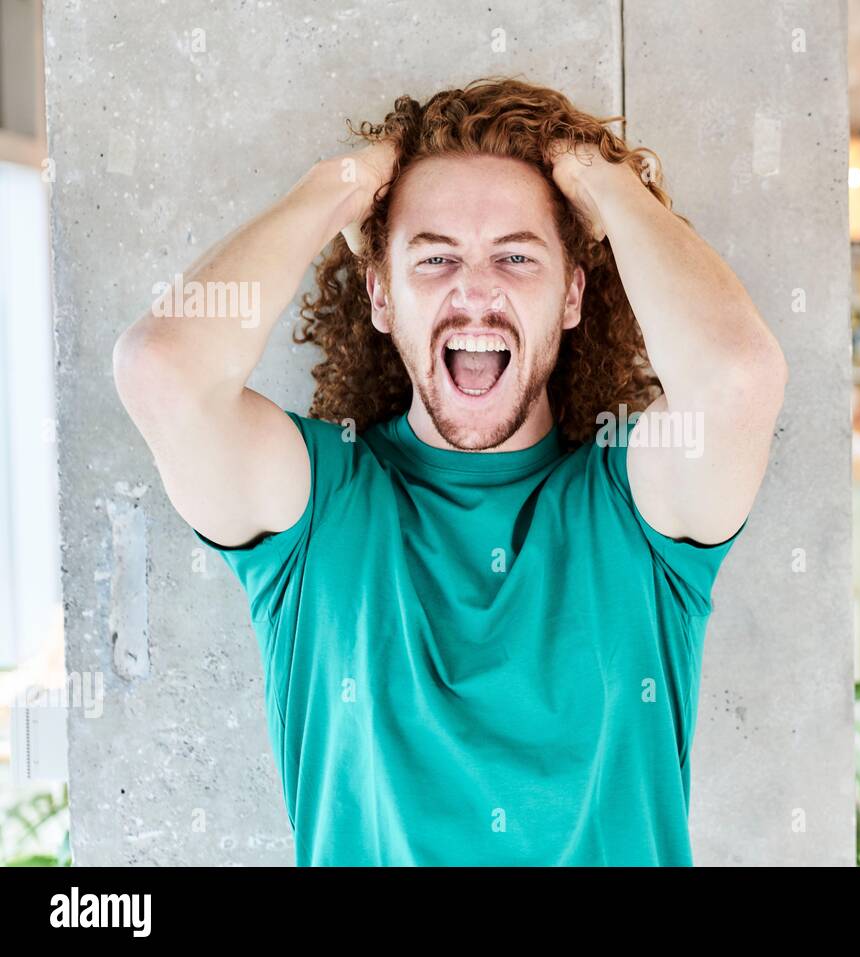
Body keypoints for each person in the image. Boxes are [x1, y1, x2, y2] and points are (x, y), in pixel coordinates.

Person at [111, 77, 786, 865]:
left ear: (572, 294)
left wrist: (600, 180)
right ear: (380, 295)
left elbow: (738, 376)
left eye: (516, 256)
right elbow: (162, 368)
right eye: (433, 258)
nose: (474, 289)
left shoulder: (635, 510)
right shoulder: (320, 505)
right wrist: (345, 184)